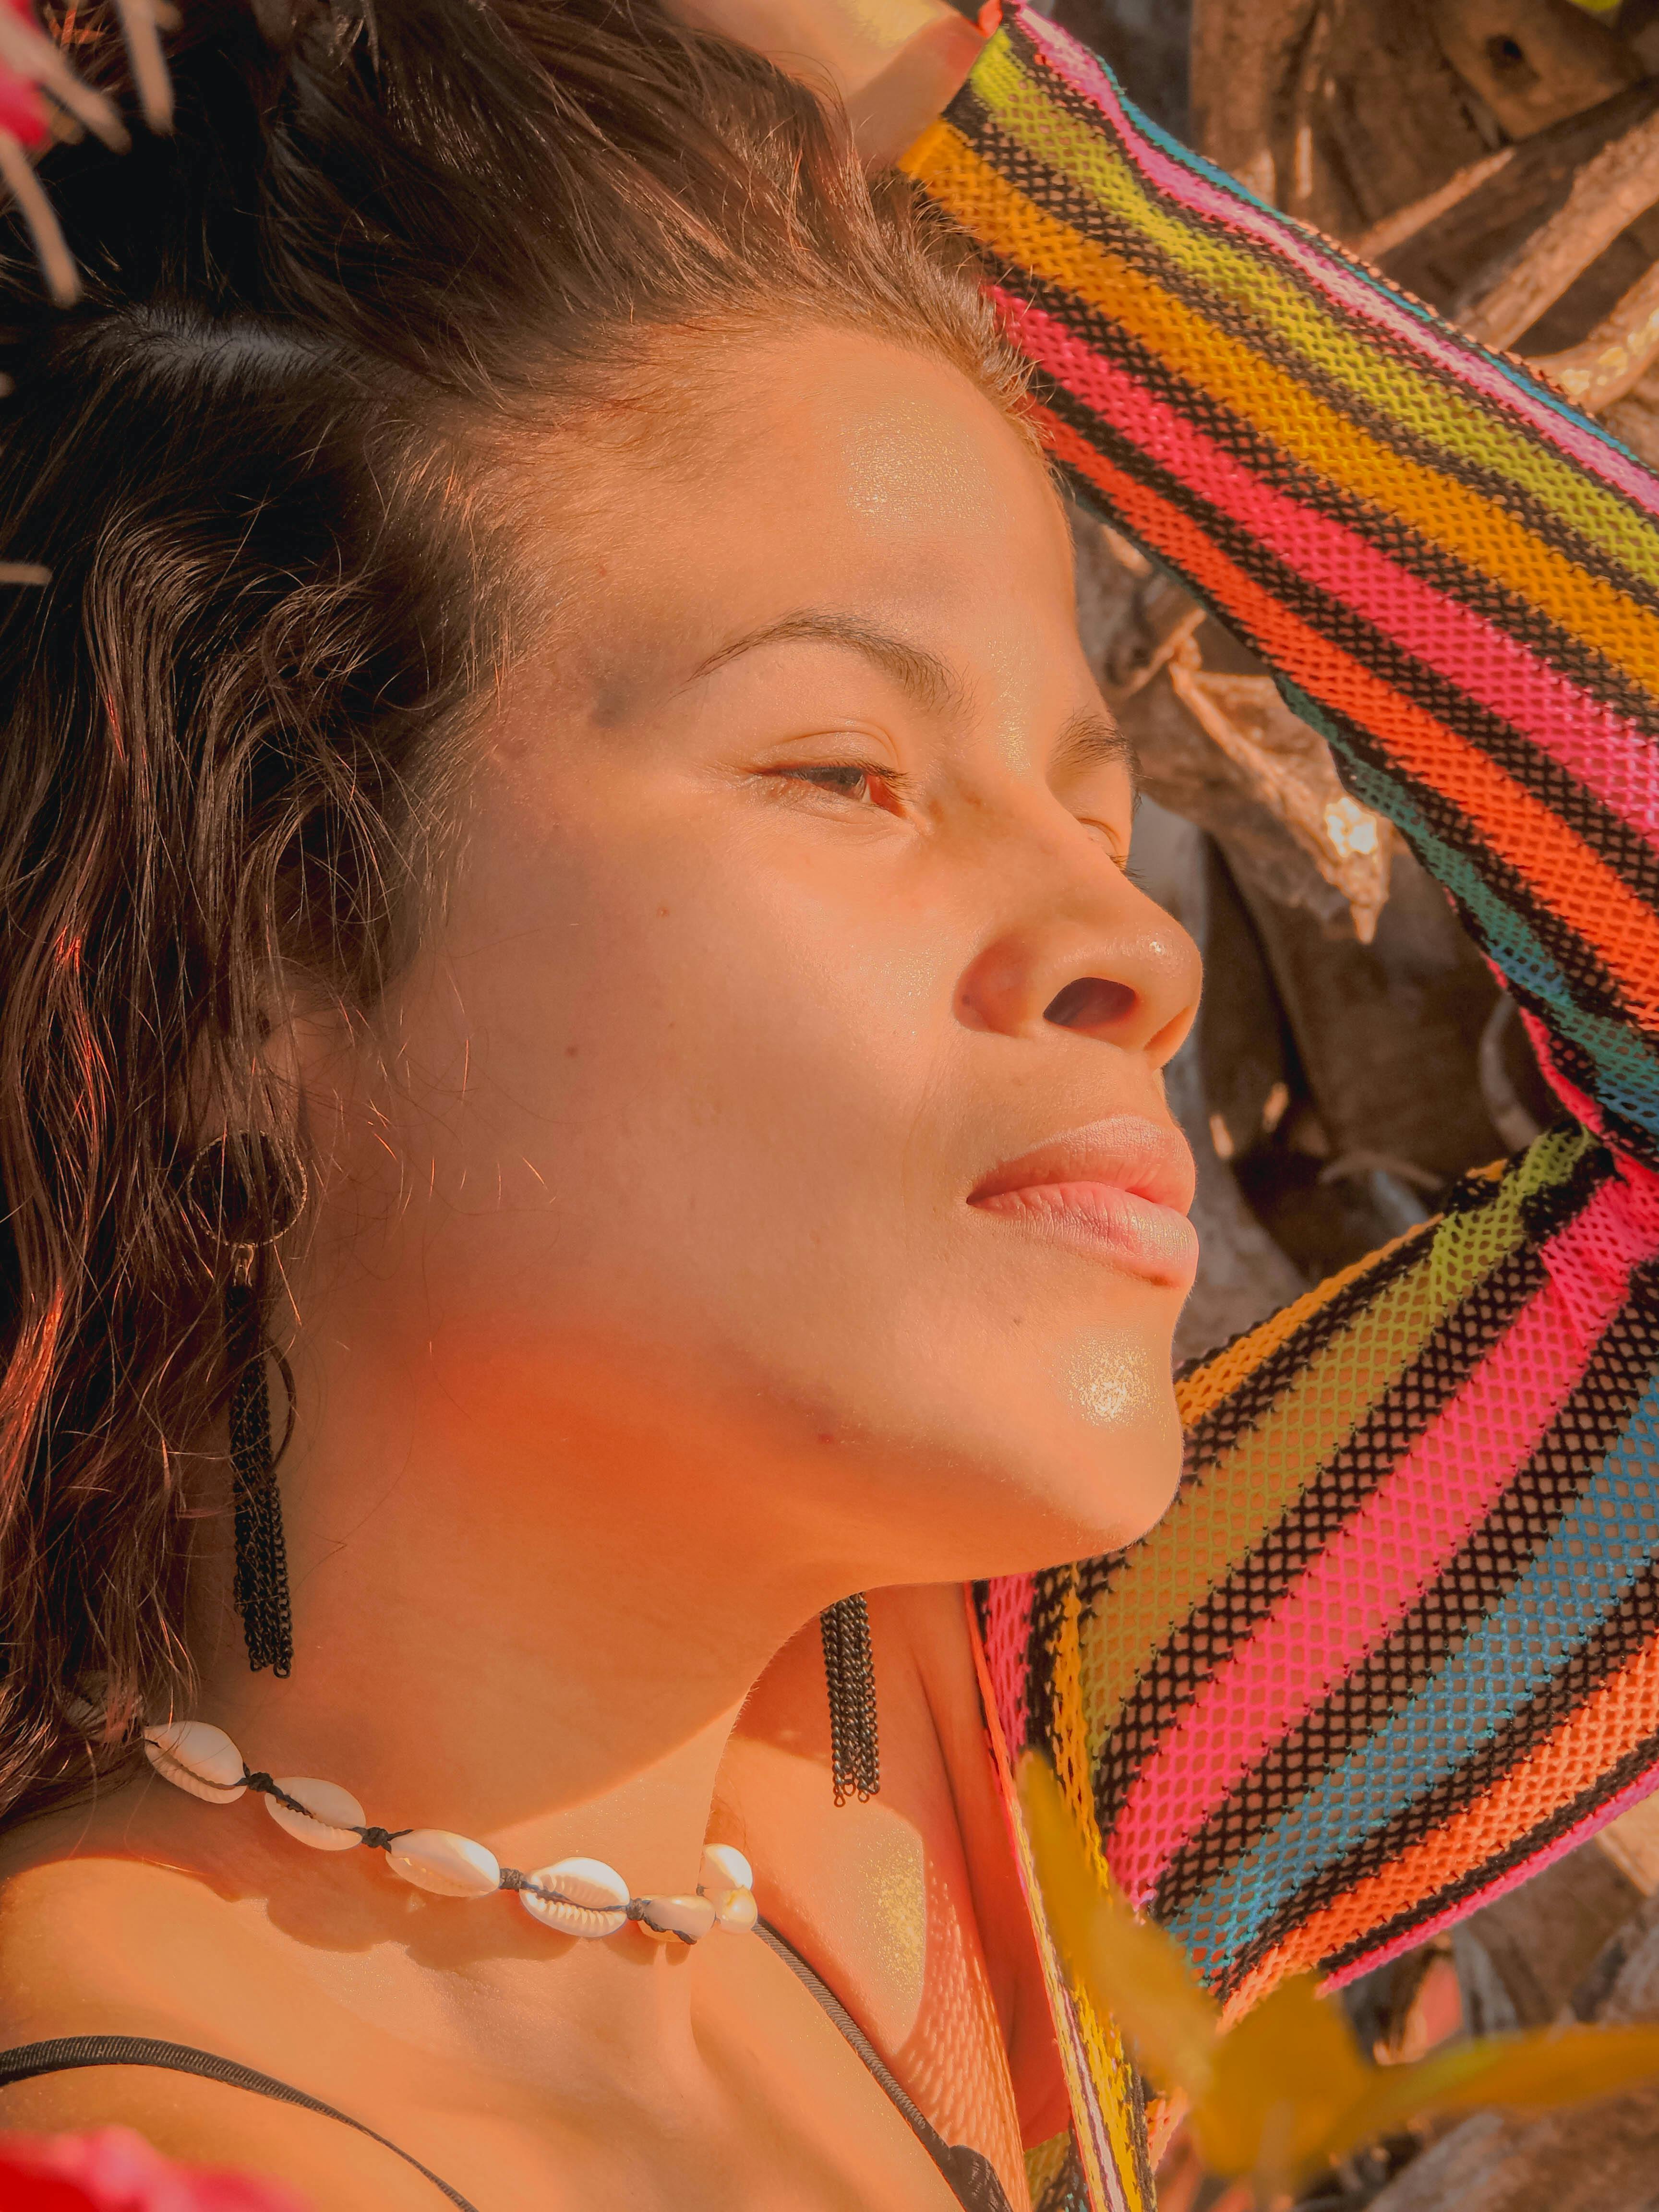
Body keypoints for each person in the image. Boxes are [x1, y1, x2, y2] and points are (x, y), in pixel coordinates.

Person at [0, 2, 1652, 2209]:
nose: (1133, 955)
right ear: (251, 960)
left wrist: (988, 145)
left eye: (1099, 812)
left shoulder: (997, 1857)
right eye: (845, 771)